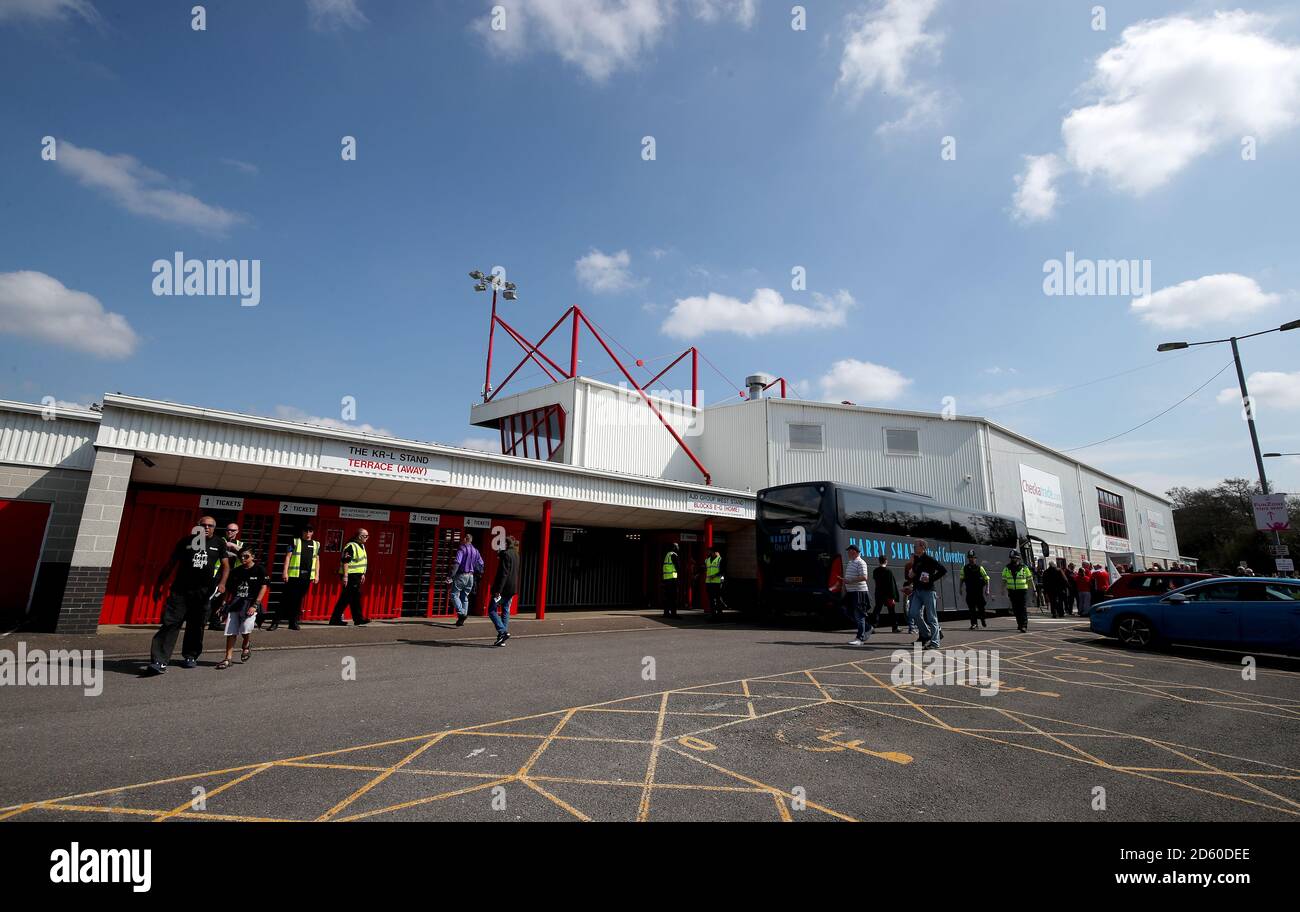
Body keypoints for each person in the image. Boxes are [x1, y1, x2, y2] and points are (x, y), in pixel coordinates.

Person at [147, 516, 231, 674]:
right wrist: (159, 585)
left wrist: (222, 583)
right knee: (170, 623)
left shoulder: (219, 543)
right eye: (203, 525)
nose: (206, 528)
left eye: (210, 526)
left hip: (203, 592)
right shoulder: (185, 541)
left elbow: (226, 566)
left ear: (214, 528)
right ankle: (159, 661)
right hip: (181, 590)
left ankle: (190, 656)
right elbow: (170, 564)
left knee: (197, 625)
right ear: (197, 526)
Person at [216, 548, 269, 668]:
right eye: (241, 556)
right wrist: (223, 604)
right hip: (235, 603)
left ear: (253, 557)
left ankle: (246, 644)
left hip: (250, 603)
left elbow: (263, 587)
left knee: (245, 628)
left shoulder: (260, 570)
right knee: (231, 631)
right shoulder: (236, 571)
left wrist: (255, 605)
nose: (243, 558)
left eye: (246, 556)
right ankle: (227, 659)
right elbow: (228, 590)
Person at [273, 525, 318, 631]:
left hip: (306, 577)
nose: (308, 533)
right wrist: (285, 572)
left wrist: (317, 575)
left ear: (313, 532)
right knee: (285, 599)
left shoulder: (316, 544)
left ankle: (293, 622)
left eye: (310, 531)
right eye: (306, 531)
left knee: (297, 601)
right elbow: (288, 557)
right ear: (302, 532)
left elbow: (317, 560)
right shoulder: (294, 541)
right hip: (293, 575)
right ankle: (275, 622)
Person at [906, 539, 947, 649]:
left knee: (931, 617)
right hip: (917, 591)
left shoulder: (930, 559)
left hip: (928, 591)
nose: (914, 547)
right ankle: (926, 634)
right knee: (913, 613)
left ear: (923, 547)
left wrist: (931, 579)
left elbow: (943, 570)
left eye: (915, 546)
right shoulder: (917, 560)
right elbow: (912, 576)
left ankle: (935, 643)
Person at [831, 544, 872, 646]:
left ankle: (860, 638)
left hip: (859, 592)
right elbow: (848, 578)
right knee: (846, 610)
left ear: (854, 552)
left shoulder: (861, 563)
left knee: (859, 615)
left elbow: (864, 577)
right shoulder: (850, 562)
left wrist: (850, 581)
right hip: (850, 592)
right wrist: (845, 585)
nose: (848, 553)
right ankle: (867, 627)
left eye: (849, 551)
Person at [330, 529, 370, 626]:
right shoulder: (351, 546)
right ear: (359, 536)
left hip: (357, 575)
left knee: (355, 597)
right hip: (351, 575)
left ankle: (358, 619)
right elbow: (345, 561)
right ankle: (335, 619)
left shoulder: (362, 546)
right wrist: (345, 576)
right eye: (366, 536)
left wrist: (363, 573)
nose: (367, 538)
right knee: (346, 598)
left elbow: (361, 561)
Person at [209, 522, 245, 630]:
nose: (230, 532)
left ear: (237, 532)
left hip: (233, 575)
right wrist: (233, 552)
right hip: (218, 573)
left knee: (224, 599)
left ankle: (216, 621)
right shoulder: (220, 541)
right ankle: (208, 620)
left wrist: (233, 546)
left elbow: (246, 554)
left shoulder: (240, 544)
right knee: (213, 596)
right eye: (228, 530)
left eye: (233, 530)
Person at [447, 532, 485, 626]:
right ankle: (461, 620)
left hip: (461, 575)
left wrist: (451, 575)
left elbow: (457, 562)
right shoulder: (476, 551)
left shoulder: (462, 548)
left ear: (465, 539)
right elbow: (481, 564)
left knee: (454, 595)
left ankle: (461, 613)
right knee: (465, 597)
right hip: (471, 576)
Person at [489, 536, 520, 646]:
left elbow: (503, 574)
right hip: (512, 588)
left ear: (505, 544)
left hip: (503, 588)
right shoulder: (516, 555)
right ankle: (502, 638)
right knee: (506, 610)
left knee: (492, 610)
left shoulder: (506, 555)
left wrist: (498, 590)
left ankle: (502, 632)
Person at [1003, 551, 1034, 632]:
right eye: (1011, 558)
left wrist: (1033, 590)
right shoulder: (1007, 568)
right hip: (1012, 591)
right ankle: (1019, 624)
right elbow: (1004, 580)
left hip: (1022, 591)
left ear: (1018, 558)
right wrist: (1003, 590)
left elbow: (1030, 579)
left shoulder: (1024, 568)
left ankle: (1024, 625)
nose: (1012, 559)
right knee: (1015, 609)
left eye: (1014, 558)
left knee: (1022, 608)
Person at [959, 550, 990, 630]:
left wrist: (987, 589)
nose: (971, 559)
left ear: (975, 558)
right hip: (969, 592)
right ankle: (974, 624)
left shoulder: (980, 568)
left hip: (978, 592)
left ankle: (983, 619)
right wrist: (960, 588)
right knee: (971, 609)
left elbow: (987, 579)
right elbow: (961, 579)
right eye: (969, 557)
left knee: (981, 608)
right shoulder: (964, 568)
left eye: (972, 557)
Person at [870, 555, 902, 633]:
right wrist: (893, 597)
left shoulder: (875, 571)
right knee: (891, 611)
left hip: (878, 593)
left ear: (879, 561)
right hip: (888, 595)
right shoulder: (888, 571)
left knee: (877, 610)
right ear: (886, 561)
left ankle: (872, 626)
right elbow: (891, 585)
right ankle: (895, 627)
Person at [704, 547, 728, 621]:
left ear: (714, 552)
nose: (708, 552)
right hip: (708, 582)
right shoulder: (707, 560)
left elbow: (723, 570)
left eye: (709, 551)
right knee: (711, 600)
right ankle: (713, 615)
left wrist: (715, 576)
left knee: (717, 599)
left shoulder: (720, 560)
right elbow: (705, 568)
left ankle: (719, 615)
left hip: (717, 583)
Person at [661, 541, 681, 618]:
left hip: (666, 579)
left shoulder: (667, 555)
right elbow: (677, 567)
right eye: (677, 546)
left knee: (667, 597)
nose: (678, 548)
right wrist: (678, 577)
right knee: (673, 597)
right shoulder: (673, 555)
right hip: (672, 579)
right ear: (674, 548)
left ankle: (666, 613)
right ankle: (674, 614)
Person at [901, 557, 917, 635]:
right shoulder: (917, 565)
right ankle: (914, 627)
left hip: (910, 587)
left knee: (911, 608)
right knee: (918, 610)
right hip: (916, 588)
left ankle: (911, 627)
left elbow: (906, 577)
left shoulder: (907, 565)